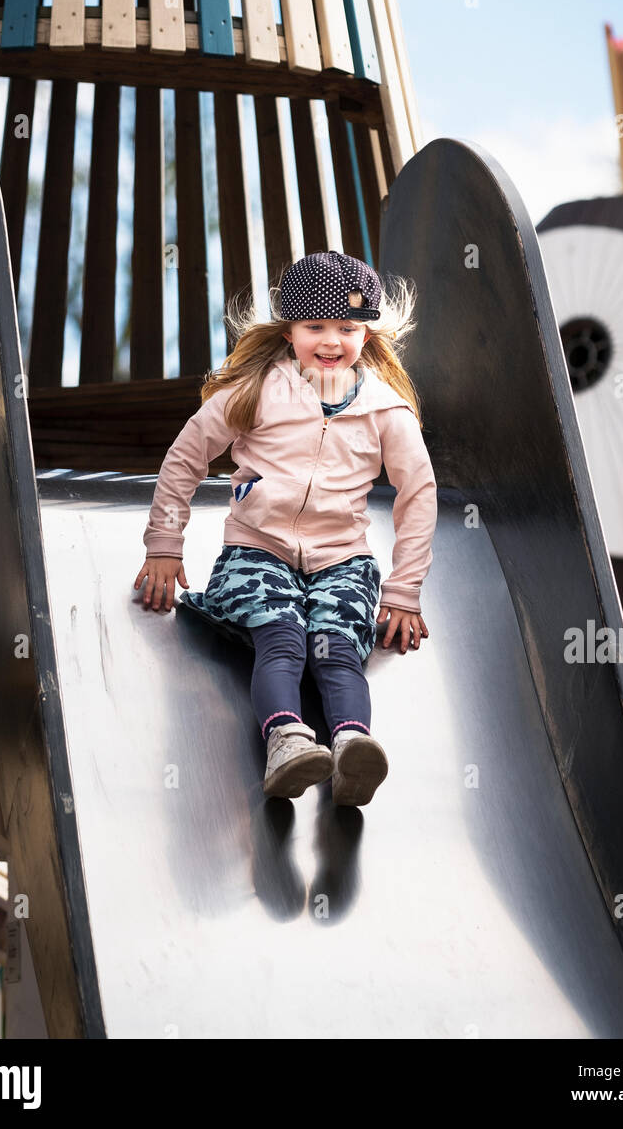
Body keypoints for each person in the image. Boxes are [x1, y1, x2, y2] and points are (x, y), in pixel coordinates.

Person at [133, 250, 437, 807]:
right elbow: (186, 457)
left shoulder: (385, 410)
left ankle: (351, 748)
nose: (331, 340)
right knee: (282, 638)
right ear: (289, 329)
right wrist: (164, 544)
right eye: (314, 325)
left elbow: (418, 494)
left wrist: (404, 589)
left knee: (339, 648)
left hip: (342, 558)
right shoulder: (256, 392)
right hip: (258, 551)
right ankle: (286, 740)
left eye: (347, 327)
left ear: (366, 334)